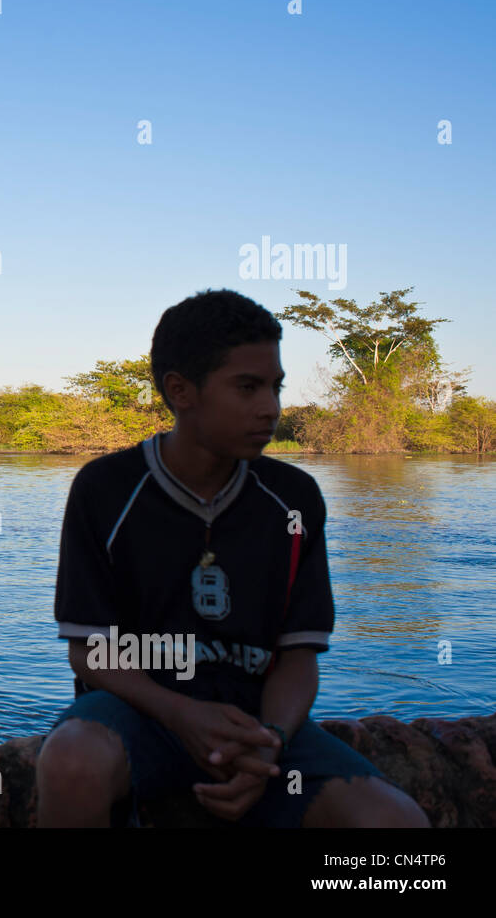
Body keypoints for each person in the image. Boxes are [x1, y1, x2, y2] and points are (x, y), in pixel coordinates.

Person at [36, 289, 429, 828]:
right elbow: (90, 652)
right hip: (137, 717)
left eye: (275, 387)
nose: (271, 408)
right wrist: (183, 715)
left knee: (394, 824)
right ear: (181, 391)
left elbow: (298, 656)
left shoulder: (295, 499)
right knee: (70, 763)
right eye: (247, 387)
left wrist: (271, 742)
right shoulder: (105, 490)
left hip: (258, 726)